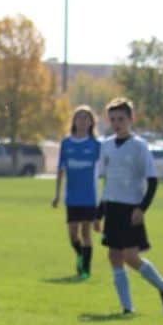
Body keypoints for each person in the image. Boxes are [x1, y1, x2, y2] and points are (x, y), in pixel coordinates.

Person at [97, 98, 163, 315]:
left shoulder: (139, 146)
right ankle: (127, 307)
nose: (116, 123)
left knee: (131, 257)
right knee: (114, 256)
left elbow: (152, 180)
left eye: (121, 119)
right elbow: (108, 181)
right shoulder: (106, 146)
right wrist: (99, 212)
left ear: (131, 119)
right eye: (113, 119)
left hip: (130, 209)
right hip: (112, 207)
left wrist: (142, 208)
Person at [52, 106, 102, 279]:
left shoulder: (96, 145)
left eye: (86, 118)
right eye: (79, 118)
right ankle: (81, 255)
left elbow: (103, 169)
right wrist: (57, 194)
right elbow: (60, 169)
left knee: (86, 233)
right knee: (72, 233)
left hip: (89, 196)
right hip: (72, 196)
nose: (82, 121)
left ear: (91, 123)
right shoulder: (66, 143)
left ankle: (85, 270)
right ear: (73, 121)